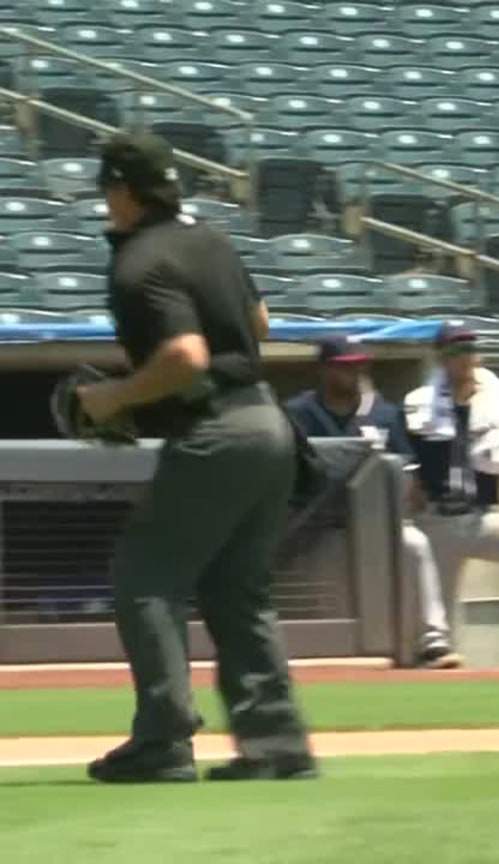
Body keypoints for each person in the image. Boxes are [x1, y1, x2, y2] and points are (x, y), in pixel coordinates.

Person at [76, 131, 314, 782]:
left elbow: (186, 356)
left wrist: (115, 397)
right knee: (239, 590)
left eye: (110, 189)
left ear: (123, 192)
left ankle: (163, 741)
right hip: (268, 422)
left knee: (144, 576)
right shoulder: (211, 239)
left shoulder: (139, 261)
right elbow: (260, 322)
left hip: (216, 432)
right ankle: (276, 745)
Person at [284, 336, 463, 670]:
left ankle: (432, 640)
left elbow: (408, 474)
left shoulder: (383, 413)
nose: (354, 373)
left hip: (372, 524)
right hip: (312, 526)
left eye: (359, 365)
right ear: (324, 369)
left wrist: (406, 498)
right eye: (344, 366)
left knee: (414, 543)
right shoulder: (297, 413)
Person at [402, 324, 499, 668]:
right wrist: (411, 491)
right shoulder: (418, 402)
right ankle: (434, 647)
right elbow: (405, 462)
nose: (463, 357)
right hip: (436, 520)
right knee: (439, 634)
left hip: (482, 519)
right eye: (455, 351)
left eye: (469, 349)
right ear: (441, 357)